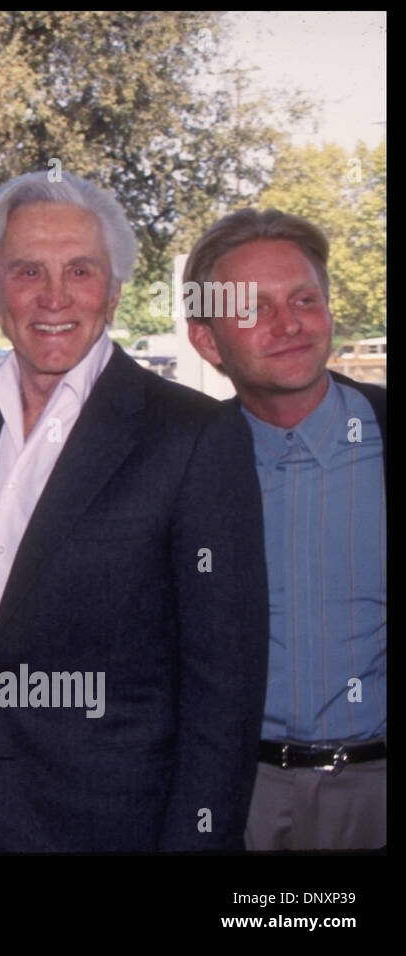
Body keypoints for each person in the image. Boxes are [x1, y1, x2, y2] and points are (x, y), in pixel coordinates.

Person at [0, 170, 268, 851]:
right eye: (27, 271)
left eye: (80, 270)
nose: (54, 296)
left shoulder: (193, 434)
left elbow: (224, 692)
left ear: (112, 293)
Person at [183, 209, 386, 850]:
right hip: (237, 799)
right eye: (255, 308)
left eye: (304, 299)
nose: (289, 324)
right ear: (209, 342)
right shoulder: (180, 464)